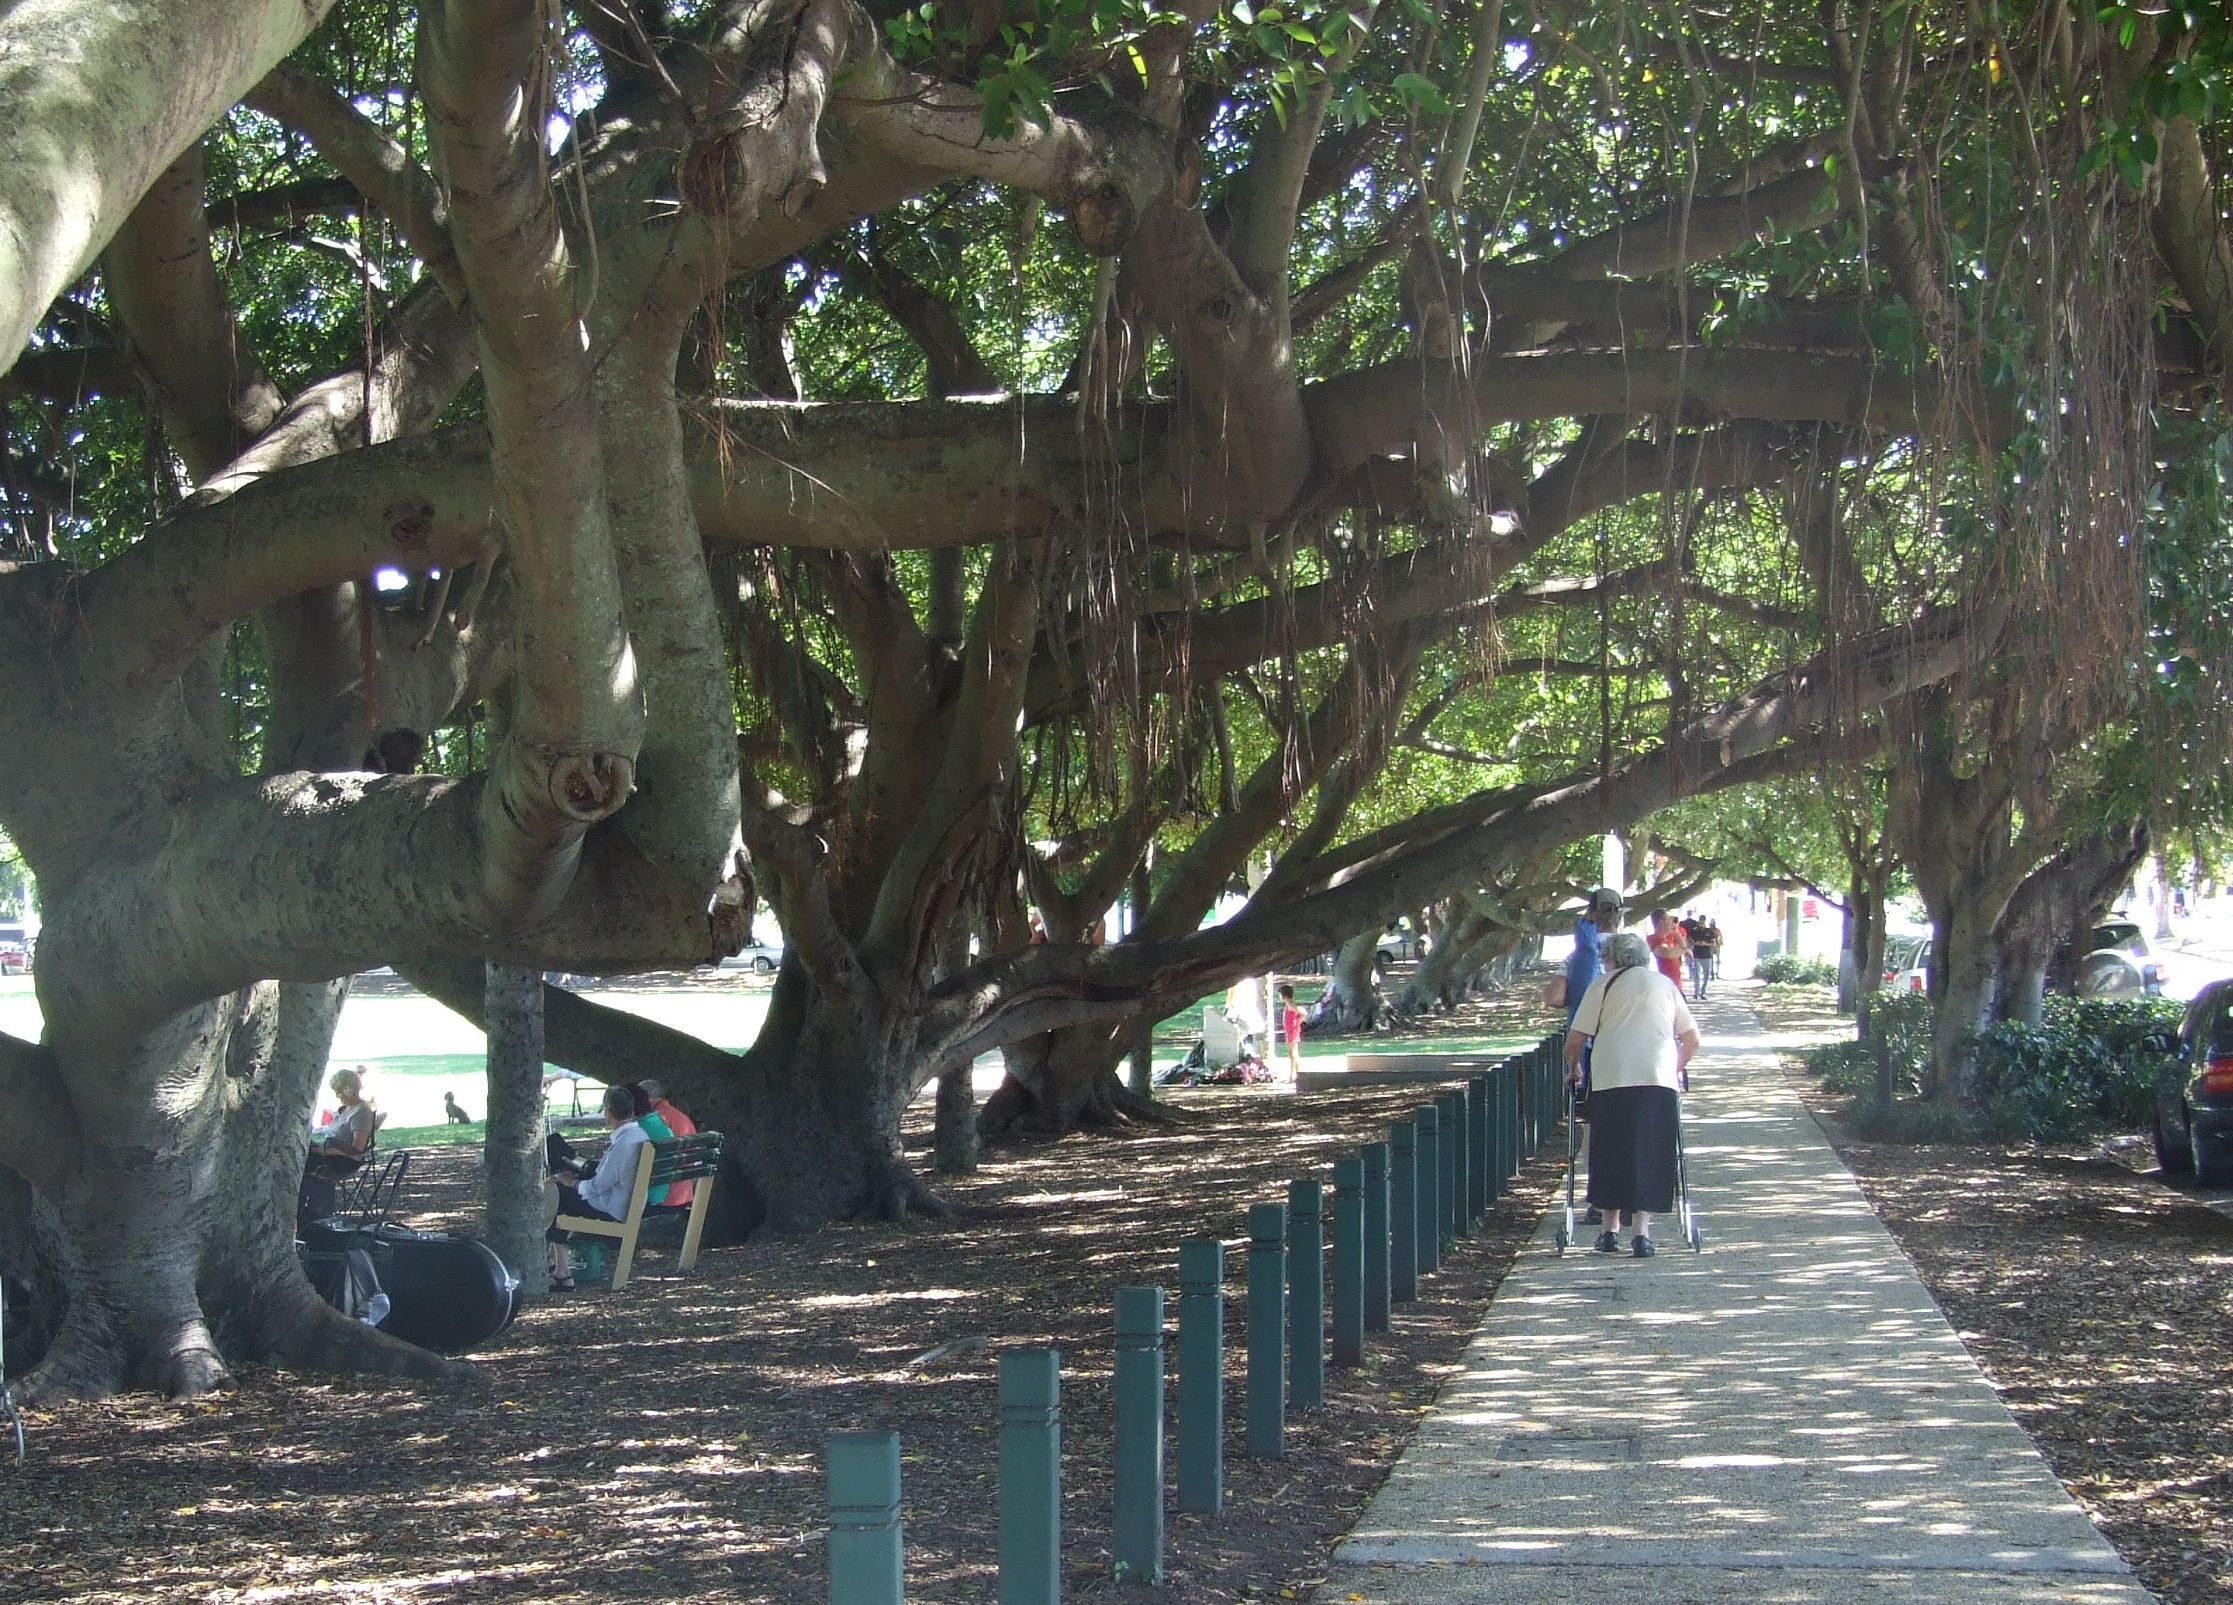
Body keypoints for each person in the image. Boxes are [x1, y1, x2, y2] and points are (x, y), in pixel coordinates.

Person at [1563, 932, 1700, 1257]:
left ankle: (1609, 1230)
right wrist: (1675, 1069)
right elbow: (1692, 1040)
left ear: (1611, 959)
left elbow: (1575, 1038)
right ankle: (1642, 1233)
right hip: (1658, 1078)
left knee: (1610, 1150)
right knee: (1651, 1150)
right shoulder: (1665, 984)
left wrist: (1574, 1068)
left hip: (1612, 1076)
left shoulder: (1603, 984)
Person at [546, 1085, 650, 1291]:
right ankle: (554, 1263)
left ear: (609, 1114)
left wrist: (572, 1183)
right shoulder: (639, 1135)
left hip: (614, 1209)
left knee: (555, 1195)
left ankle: (562, 1273)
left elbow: (598, 1186)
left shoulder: (623, 1143)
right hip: (629, 1202)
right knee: (561, 1189)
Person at [639, 1077, 698, 1208]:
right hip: (684, 1191)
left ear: (647, 1099)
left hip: (662, 1194)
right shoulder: (681, 1117)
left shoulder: (654, 1122)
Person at [1648, 909, 1688, 988]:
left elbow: (1683, 945)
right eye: (1669, 919)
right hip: (1664, 986)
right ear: (1661, 922)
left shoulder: (1670, 937)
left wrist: (1675, 930)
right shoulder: (1653, 939)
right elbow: (1668, 954)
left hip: (1676, 985)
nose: (1671, 922)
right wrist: (1685, 950)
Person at [1277, 983, 1304, 1081]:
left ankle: (1293, 1075)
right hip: (1290, 1031)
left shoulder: (1290, 1004)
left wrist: (1298, 1023)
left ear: (1284, 996)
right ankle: (1297, 1074)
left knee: (1292, 1054)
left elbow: (1303, 1013)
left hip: (1292, 1031)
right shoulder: (1289, 1005)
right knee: (1293, 1054)